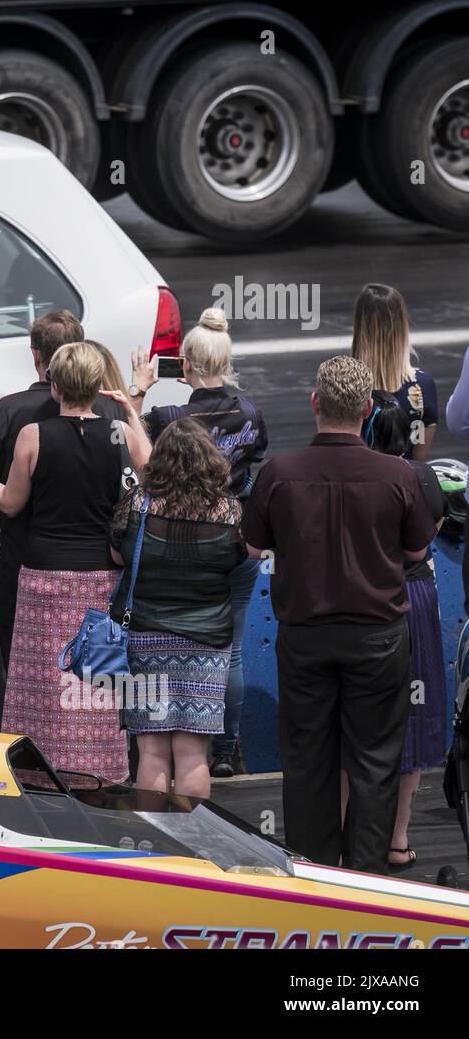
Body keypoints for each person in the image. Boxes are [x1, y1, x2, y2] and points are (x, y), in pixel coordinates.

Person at [241, 356, 437, 874]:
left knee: (308, 763)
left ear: (314, 404)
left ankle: (314, 878)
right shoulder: (398, 475)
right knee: (375, 764)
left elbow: (253, 544)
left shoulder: (279, 474)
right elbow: (417, 551)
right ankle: (367, 884)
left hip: (305, 637)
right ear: (368, 409)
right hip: (378, 638)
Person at [0, 342, 150, 784]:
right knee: (98, 683)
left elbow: (11, 504)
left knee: (44, 686)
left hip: (44, 577)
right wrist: (132, 409)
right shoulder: (119, 433)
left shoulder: (34, 435)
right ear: (98, 386)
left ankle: (40, 774)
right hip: (102, 581)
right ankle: (101, 772)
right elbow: (152, 474)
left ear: (55, 386)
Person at [128, 307, 269, 778]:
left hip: (178, 542)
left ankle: (161, 743)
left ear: (185, 364)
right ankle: (225, 749)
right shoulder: (249, 411)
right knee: (229, 651)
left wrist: (138, 388)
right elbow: (255, 470)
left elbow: (131, 449)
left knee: (167, 641)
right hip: (234, 541)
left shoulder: (170, 416)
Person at [0, 311, 128, 669]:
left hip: (28, 564)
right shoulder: (113, 414)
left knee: (28, 673)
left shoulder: (8, 410)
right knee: (97, 680)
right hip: (103, 567)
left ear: (37, 355)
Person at [109, 419, 244, 798]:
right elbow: (237, 559)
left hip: (146, 639)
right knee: (193, 752)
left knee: (150, 749)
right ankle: (192, 845)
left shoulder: (138, 503)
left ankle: (153, 847)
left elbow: (117, 557)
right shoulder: (229, 511)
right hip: (208, 643)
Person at [356, 402, 448, 871]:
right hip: (415, 596)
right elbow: (431, 532)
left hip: (367, 598)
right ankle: (397, 837)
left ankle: (358, 839)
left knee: (357, 720)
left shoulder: (359, 475)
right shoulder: (424, 477)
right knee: (414, 716)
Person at [351, 283, 437, 461]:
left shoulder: (346, 385)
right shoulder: (423, 385)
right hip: (403, 485)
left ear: (360, 328)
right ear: (402, 327)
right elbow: (419, 461)